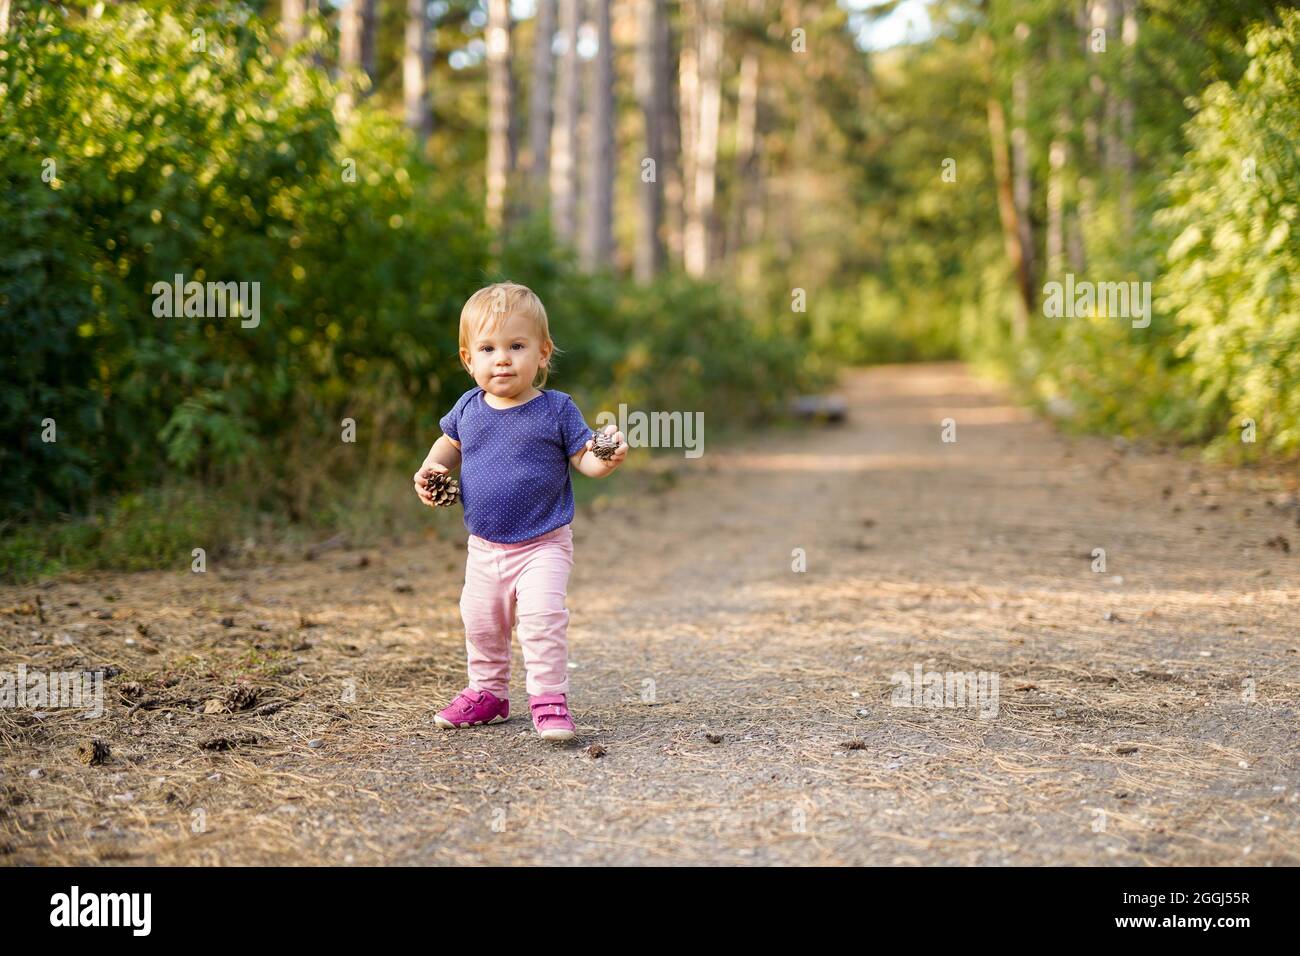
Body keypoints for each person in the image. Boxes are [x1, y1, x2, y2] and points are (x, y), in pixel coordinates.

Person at [414, 282, 627, 742]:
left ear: (543, 353)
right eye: (488, 349)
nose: (503, 359)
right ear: (469, 360)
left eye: (516, 346)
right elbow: (447, 447)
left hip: (544, 543)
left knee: (541, 618)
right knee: (480, 618)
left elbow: (584, 459)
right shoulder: (468, 408)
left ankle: (548, 698)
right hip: (485, 546)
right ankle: (488, 693)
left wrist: (604, 459)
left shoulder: (556, 410)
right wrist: (432, 470)